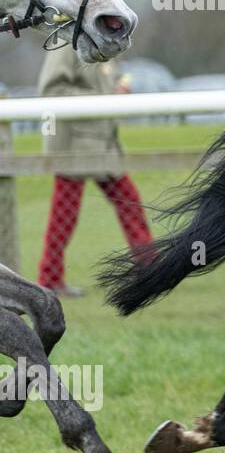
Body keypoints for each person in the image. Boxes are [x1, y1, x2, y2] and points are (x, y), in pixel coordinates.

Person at [36, 42, 152, 297]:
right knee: (64, 216)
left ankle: (149, 265)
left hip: (103, 142)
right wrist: (107, 98)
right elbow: (52, 91)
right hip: (74, 144)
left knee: (129, 201)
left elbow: (105, 80)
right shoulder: (65, 42)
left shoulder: (98, 38)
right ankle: (49, 279)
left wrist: (117, 90)